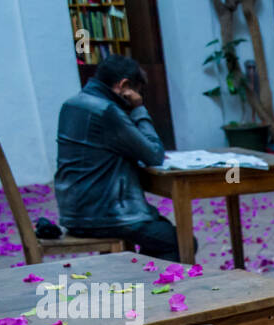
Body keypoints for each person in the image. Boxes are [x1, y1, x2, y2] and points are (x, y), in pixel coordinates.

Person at [55, 54, 183, 259]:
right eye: (137, 92)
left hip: (73, 213)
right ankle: (148, 287)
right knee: (180, 242)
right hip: (104, 216)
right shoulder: (106, 111)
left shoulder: (71, 105)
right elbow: (154, 154)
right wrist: (139, 108)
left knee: (162, 231)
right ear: (124, 85)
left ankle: (140, 279)